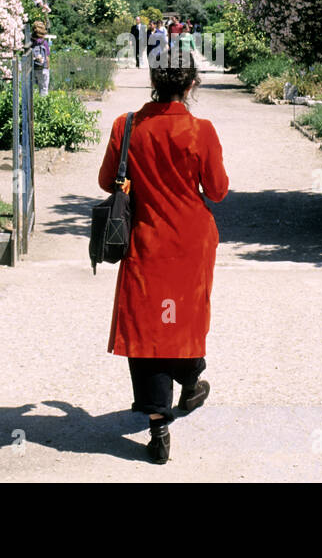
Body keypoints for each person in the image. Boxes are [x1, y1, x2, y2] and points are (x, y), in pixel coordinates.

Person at [98, 52, 229, 464]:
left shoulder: (127, 126)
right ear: (191, 86)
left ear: (154, 81)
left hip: (146, 240)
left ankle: (159, 427)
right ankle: (191, 376)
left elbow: (106, 181)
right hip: (191, 241)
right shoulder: (200, 130)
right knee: (182, 316)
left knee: (146, 328)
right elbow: (219, 189)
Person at [30, 20, 50, 95]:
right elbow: (47, 56)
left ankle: (32, 105)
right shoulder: (44, 42)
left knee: (32, 89)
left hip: (33, 68)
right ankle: (43, 104)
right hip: (43, 68)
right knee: (44, 89)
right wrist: (47, 67)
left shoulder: (31, 42)